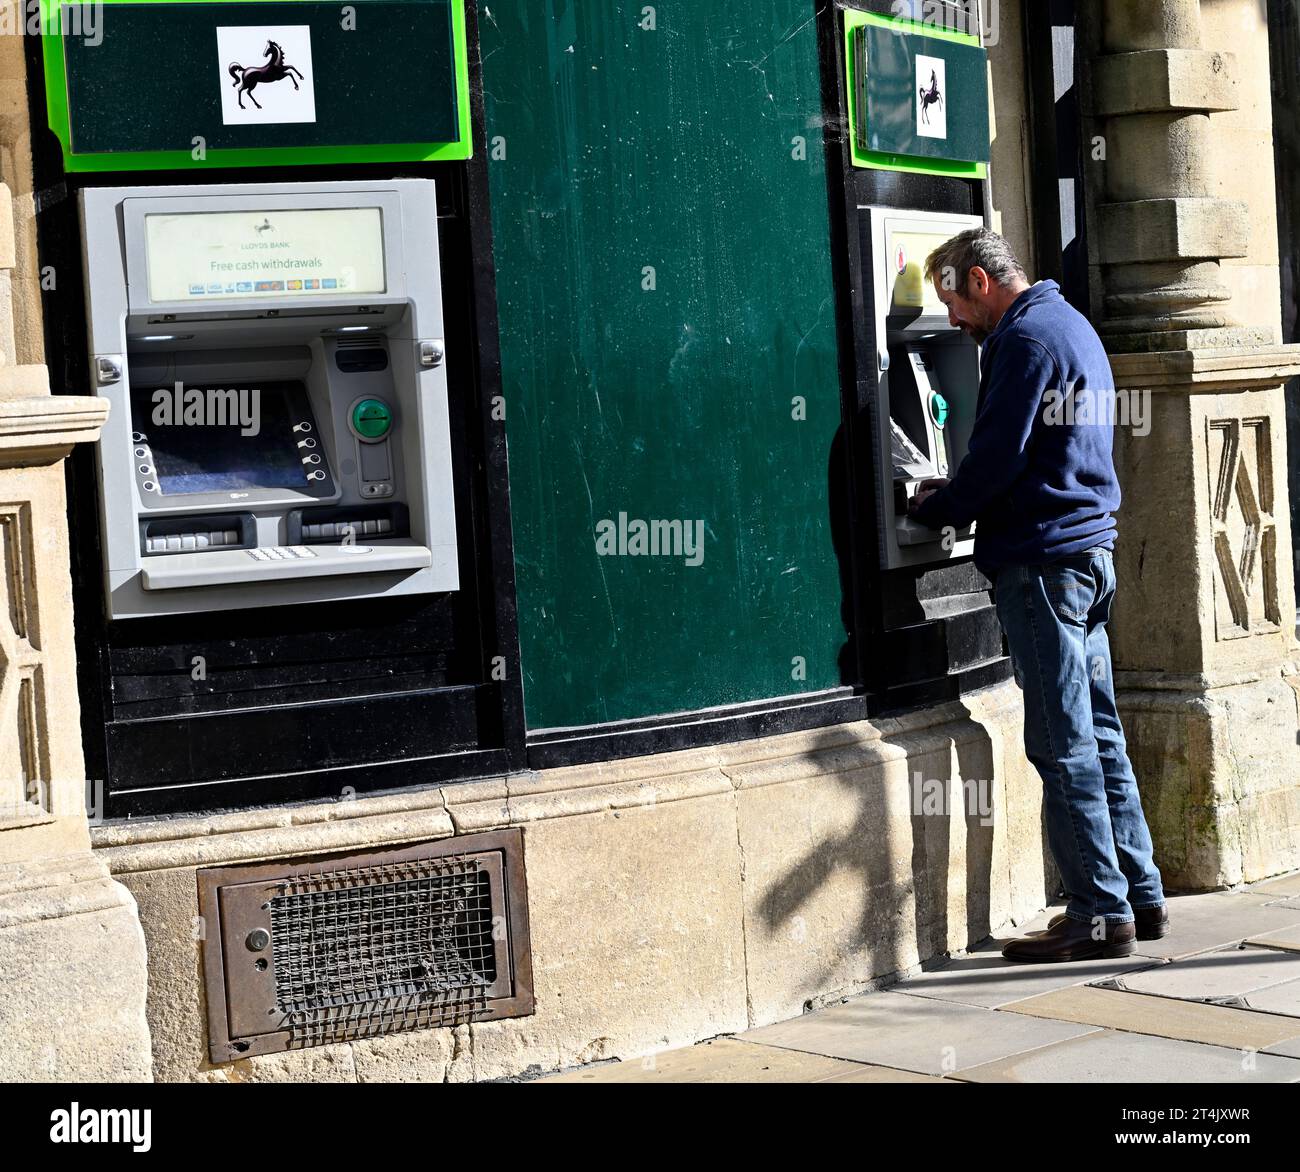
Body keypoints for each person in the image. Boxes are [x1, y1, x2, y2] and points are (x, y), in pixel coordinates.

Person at [907, 227, 1168, 963]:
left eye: (953, 302)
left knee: (1062, 743)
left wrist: (935, 504)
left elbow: (995, 457)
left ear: (979, 282)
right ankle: (1138, 894)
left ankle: (1095, 914)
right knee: (1100, 734)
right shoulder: (1069, 323)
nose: (954, 321)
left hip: (1044, 564)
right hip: (1087, 555)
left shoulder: (1023, 343)